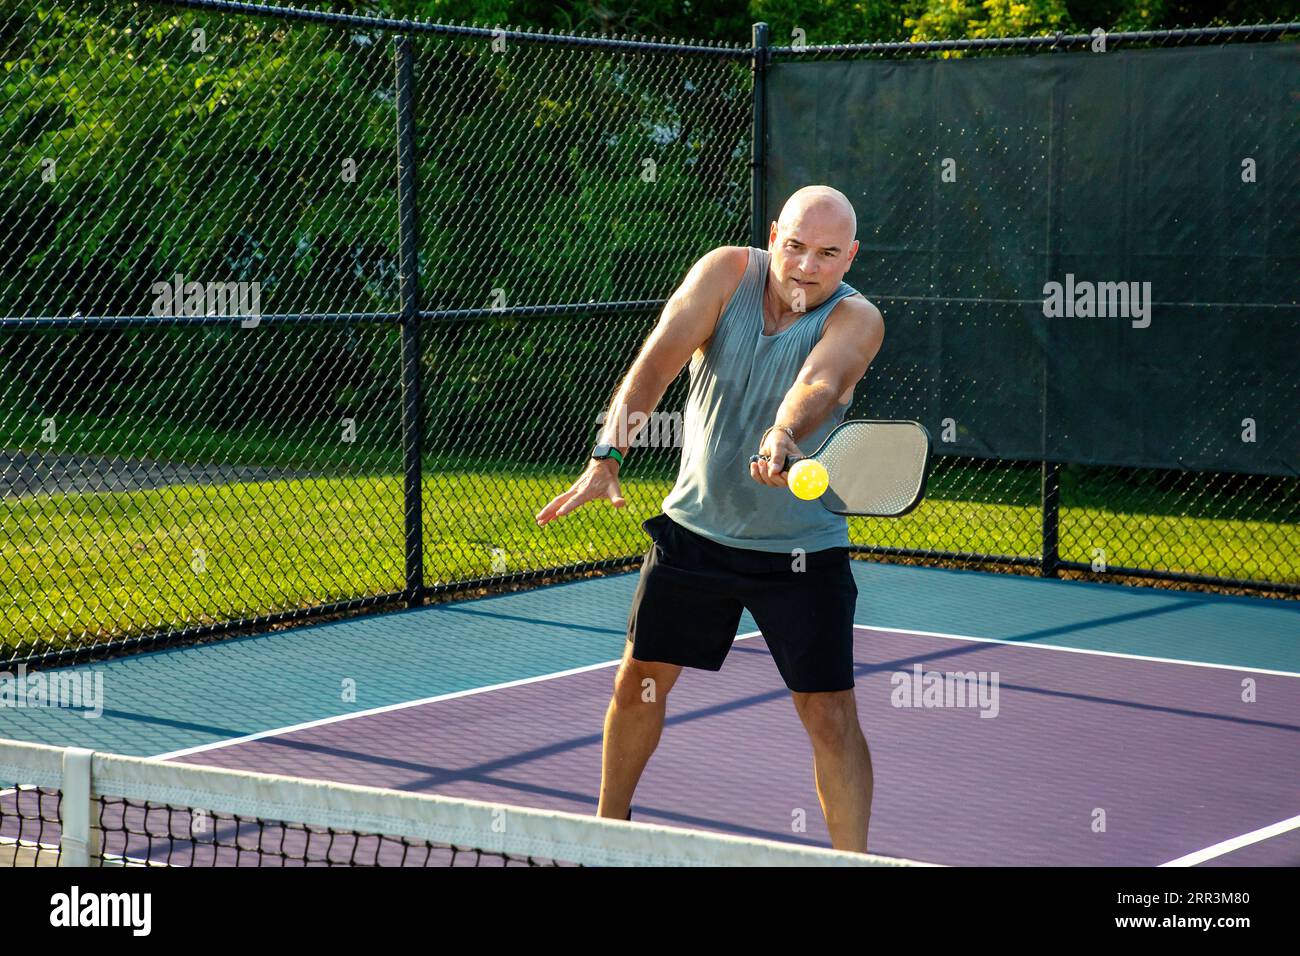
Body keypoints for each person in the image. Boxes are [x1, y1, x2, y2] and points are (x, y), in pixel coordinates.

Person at [534, 185, 885, 852]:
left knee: (831, 716)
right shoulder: (726, 271)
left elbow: (820, 380)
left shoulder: (858, 318)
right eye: (795, 246)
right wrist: (608, 453)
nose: (806, 265)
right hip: (694, 536)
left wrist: (783, 434)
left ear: (851, 258)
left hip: (801, 555)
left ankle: (852, 865)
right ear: (774, 233)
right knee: (637, 684)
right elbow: (658, 361)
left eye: (827, 254)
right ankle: (605, 838)